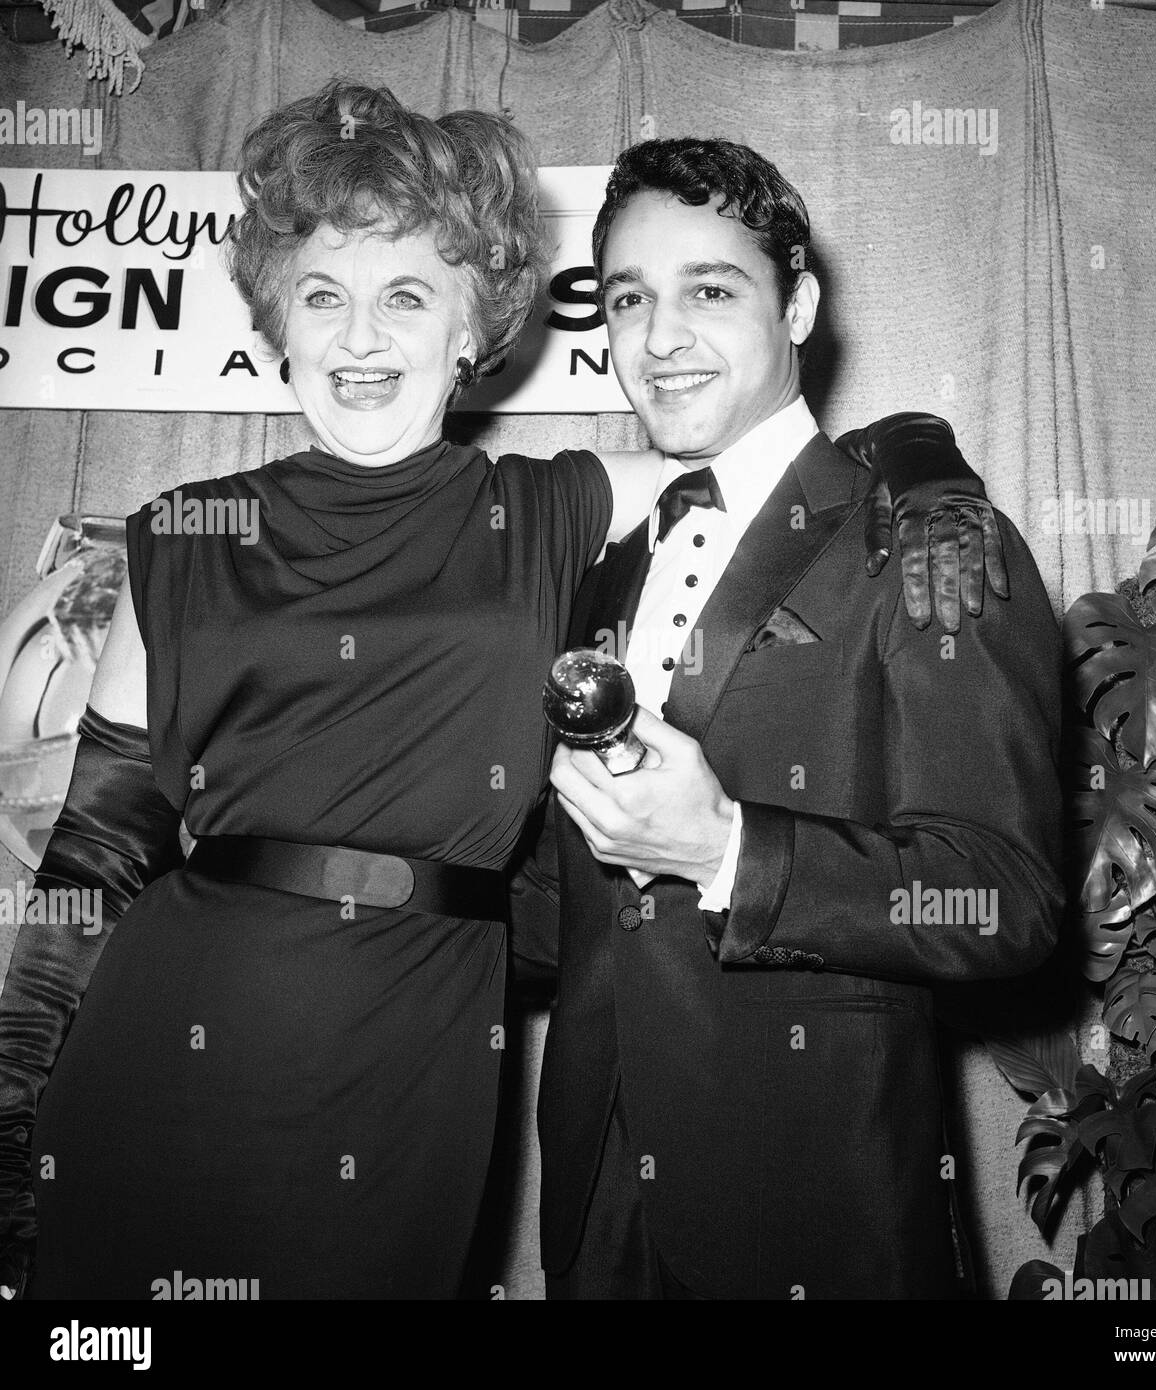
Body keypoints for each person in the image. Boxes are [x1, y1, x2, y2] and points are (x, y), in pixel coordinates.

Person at [0, 84, 992, 1300]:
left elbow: (773, 458)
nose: (360, 337)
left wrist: (936, 476)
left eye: (405, 295)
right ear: (278, 322)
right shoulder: (180, 537)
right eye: (324, 295)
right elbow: (91, 863)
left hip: (414, 1068)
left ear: (473, 327)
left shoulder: (550, 509)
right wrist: (7, 1137)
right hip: (170, 1040)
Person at [534, 138, 1067, 1299]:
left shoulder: (925, 541)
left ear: (800, 305)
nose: (660, 336)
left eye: (710, 291)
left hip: (822, 1204)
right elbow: (572, 906)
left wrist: (729, 850)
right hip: (597, 1197)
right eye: (629, 299)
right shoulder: (605, 565)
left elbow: (1003, 897)